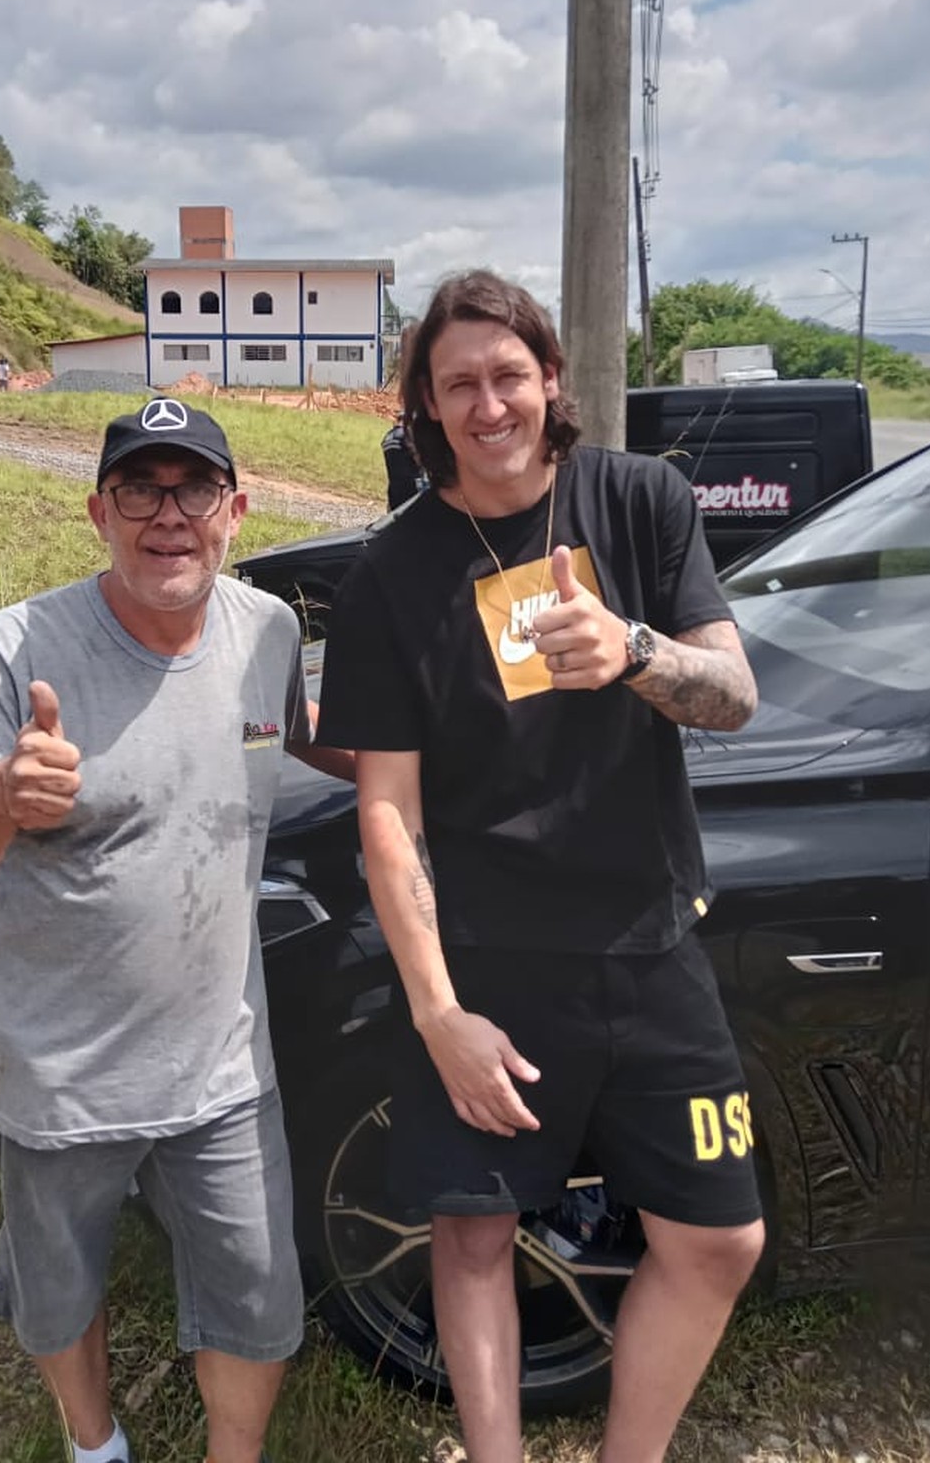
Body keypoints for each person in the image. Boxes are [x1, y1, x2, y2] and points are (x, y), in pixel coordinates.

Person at [316, 270, 765, 1463]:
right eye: (457, 382)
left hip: (650, 943)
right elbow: (388, 813)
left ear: (551, 379)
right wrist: (439, 1014)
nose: (488, 402)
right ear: (424, 404)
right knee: (470, 1232)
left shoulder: (642, 500)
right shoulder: (391, 579)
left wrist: (633, 649)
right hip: (491, 966)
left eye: (508, 374)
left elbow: (734, 696)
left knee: (719, 1240)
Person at [0, 398, 353, 1463]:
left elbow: (299, 737)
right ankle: (94, 1441)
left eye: (193, 487)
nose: (168, 515)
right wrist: (1, 796)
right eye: (139, 490)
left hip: (221, 1065)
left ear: (235, 510)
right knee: (58, 1300)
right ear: (98, 510)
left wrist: (450, 760)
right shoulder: (15, 648)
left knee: (259, 1298)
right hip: (59, 1073)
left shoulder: (270, 627)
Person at [381, 411, 427, 512]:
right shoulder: (405, 436)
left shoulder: (389, 437)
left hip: (396, 492)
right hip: (413, 490)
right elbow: (420, 458)